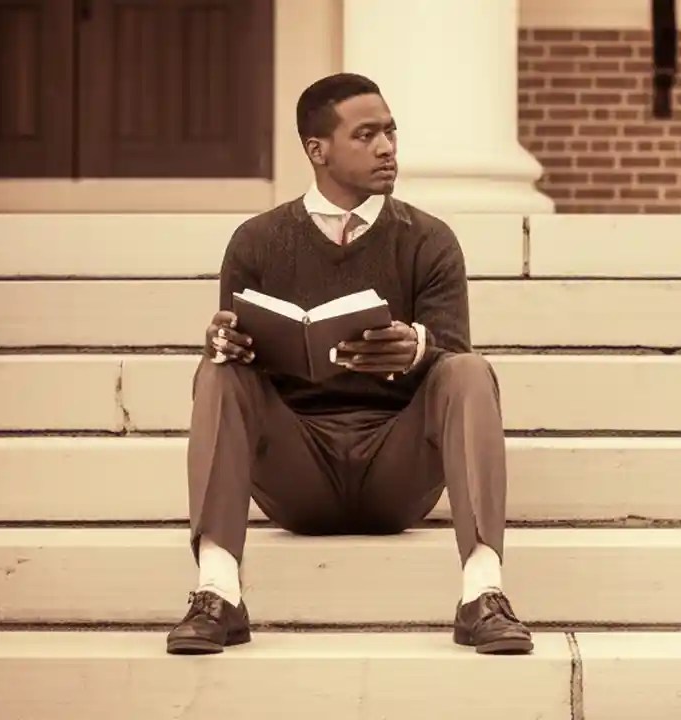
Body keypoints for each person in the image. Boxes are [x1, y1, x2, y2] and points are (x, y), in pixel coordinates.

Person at [165, 73, 532, 656]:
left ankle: (482, 595)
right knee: (216, 369)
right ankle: (217, 593)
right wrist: (226, 342)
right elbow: (238, 354)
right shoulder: (257, 242)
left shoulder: (428, 240)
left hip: (397, 470)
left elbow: (453, 353)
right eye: (366, 134)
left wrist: (417, 348)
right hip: (296, 473)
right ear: (318, 150)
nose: (387, 147)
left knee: (468, 370)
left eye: (391, 131)